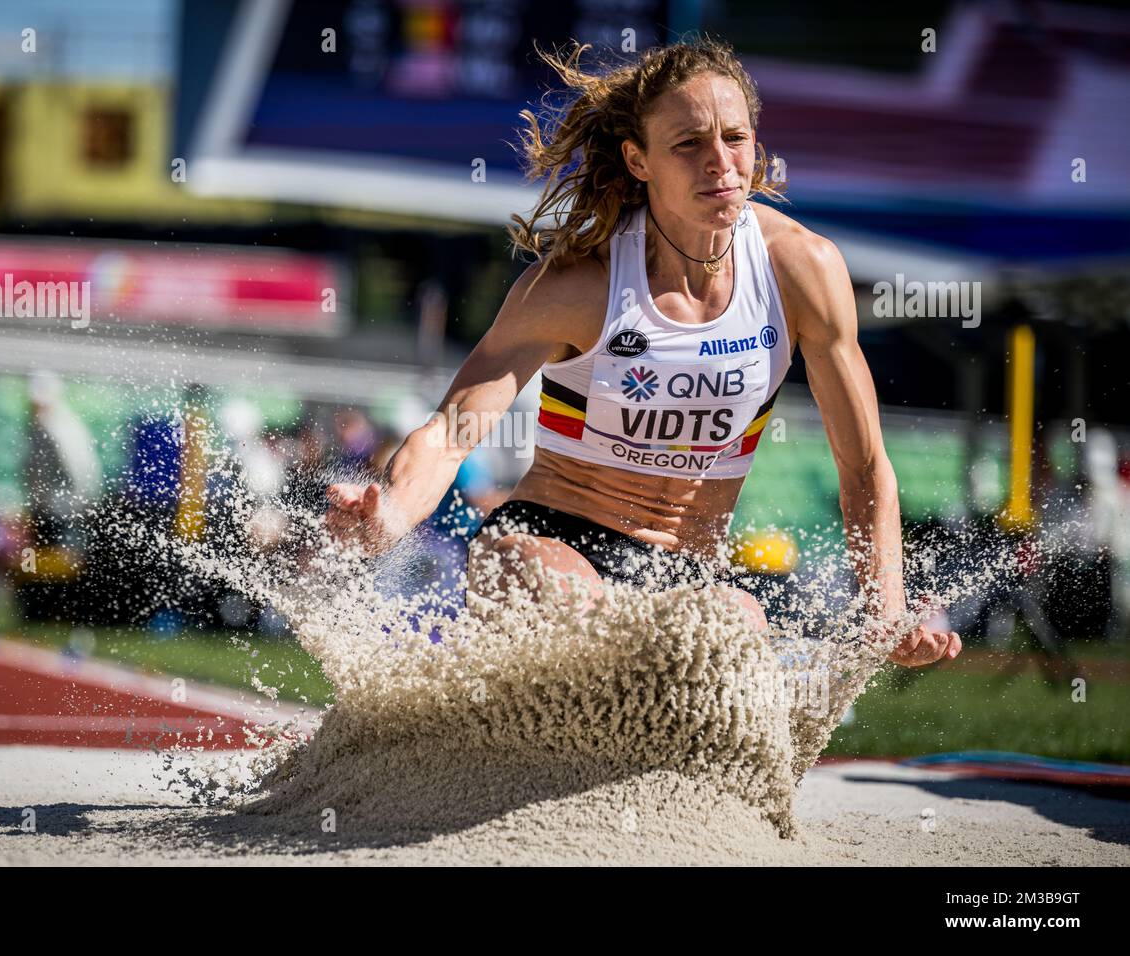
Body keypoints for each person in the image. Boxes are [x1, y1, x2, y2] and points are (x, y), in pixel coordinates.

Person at [326, 37, 960, 668]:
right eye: (689, 144)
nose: (721, 163)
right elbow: (455, 430)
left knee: (736, 632)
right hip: (552, 542)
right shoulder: (579, 285)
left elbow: (865, 466)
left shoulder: (802, 270)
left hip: (686, 570)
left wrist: (885, 611)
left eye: (735, 138)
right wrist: (393, 512)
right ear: (639, 160)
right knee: (566, 605)